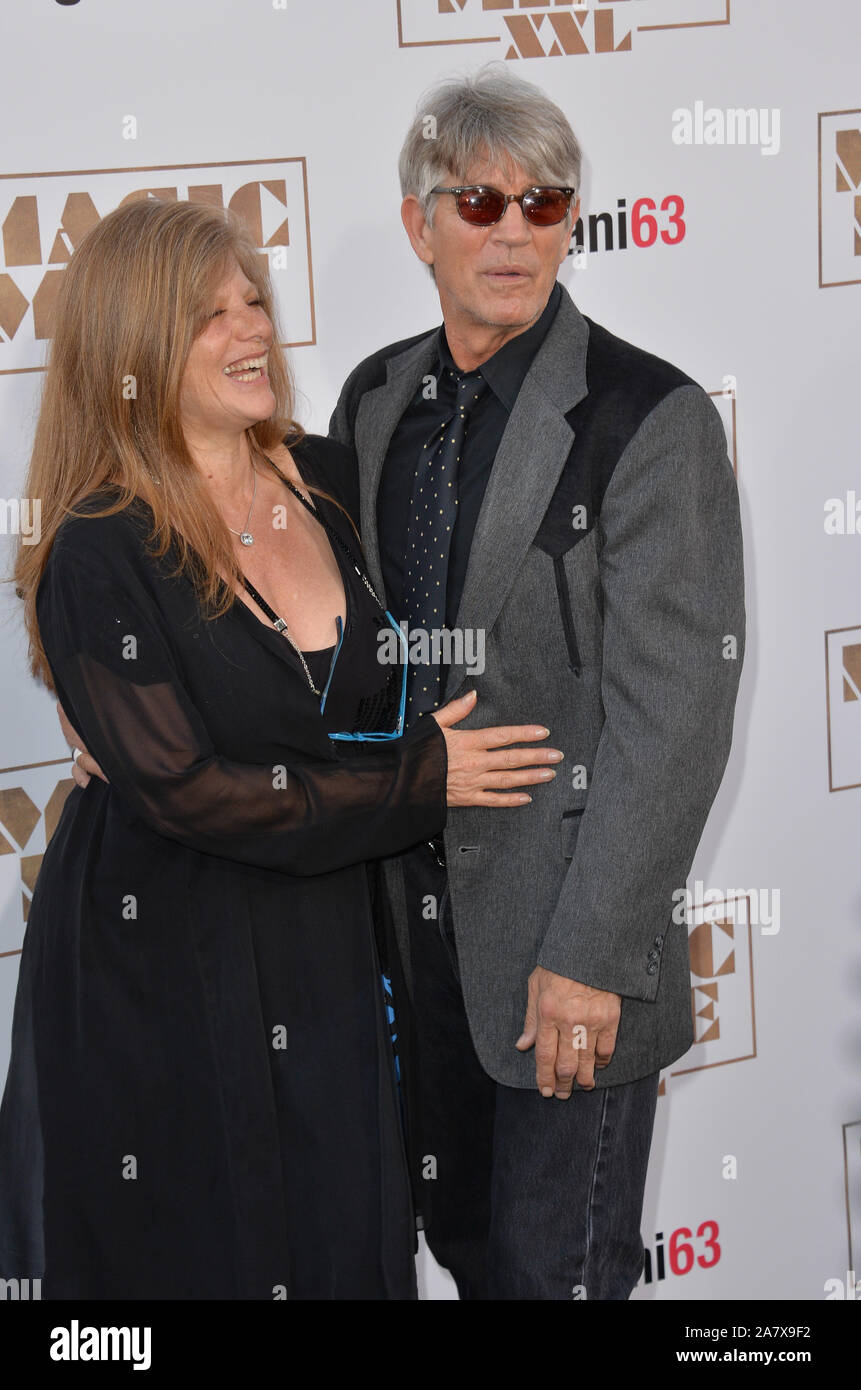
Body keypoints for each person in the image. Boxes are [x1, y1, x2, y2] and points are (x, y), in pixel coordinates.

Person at [0, 196, 563, 1300]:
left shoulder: (326, 475)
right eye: (208, 316)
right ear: (132, 349)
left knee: (340, 1239)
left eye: (252, 300)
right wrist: (420, 782)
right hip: (167, 952)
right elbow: (191, 791)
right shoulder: (100, 546)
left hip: (327, 941)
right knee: (203, 1251)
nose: (252, 328)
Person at [327, 66, 746, 1300]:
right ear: (421, 225)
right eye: (480, 202)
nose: (514, 230)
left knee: (554, 1279)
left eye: (545, 203)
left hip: (568, 955)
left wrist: (594, 955)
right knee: (464, 1261)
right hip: (414, 952)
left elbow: (676, 716)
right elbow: (318, 623)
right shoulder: (374, 399)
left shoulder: (647, 415)